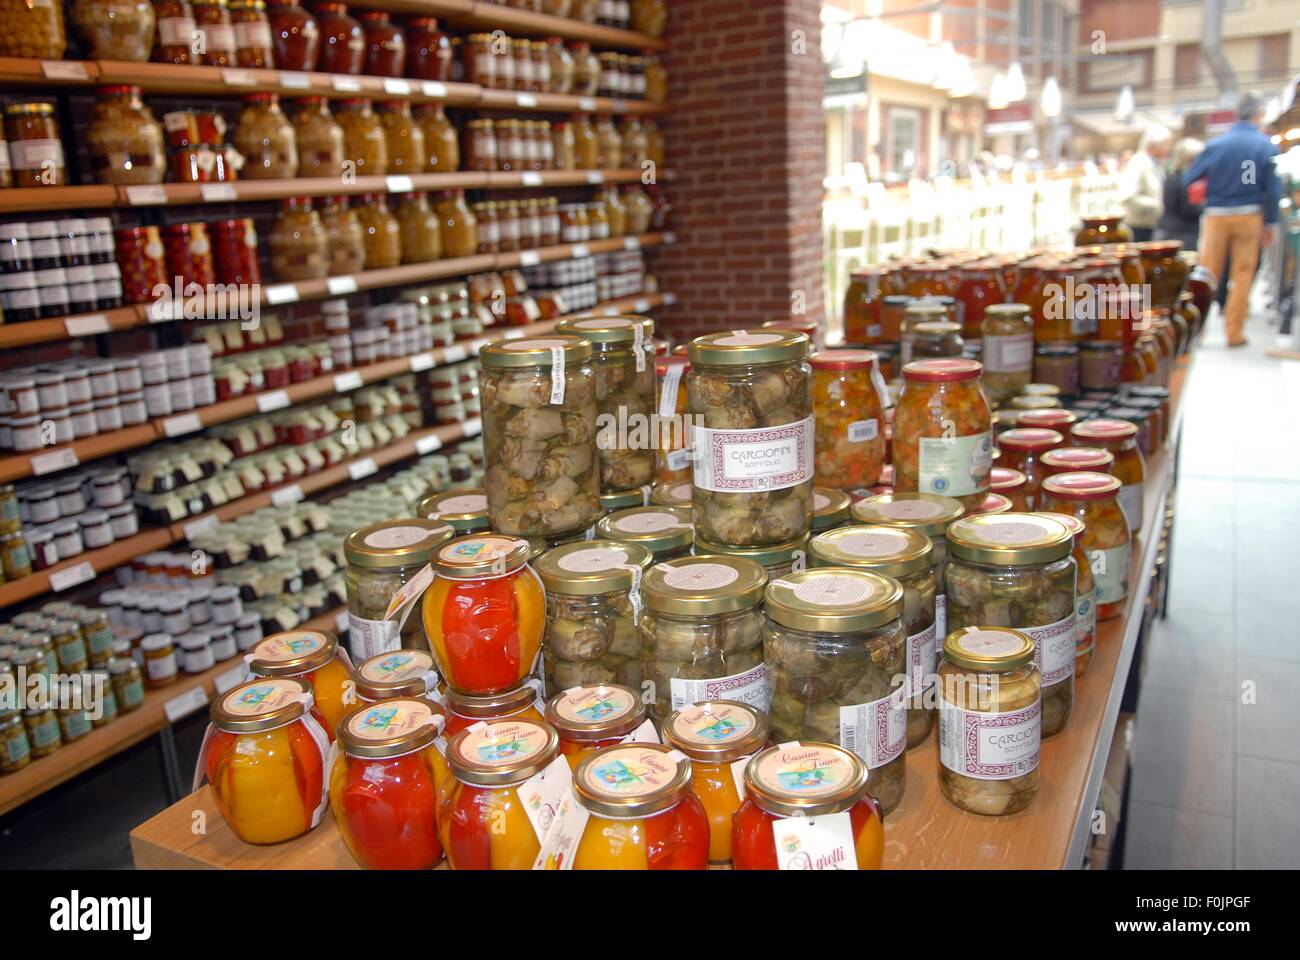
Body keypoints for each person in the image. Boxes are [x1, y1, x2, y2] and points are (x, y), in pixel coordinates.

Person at [1183, 92, 1282, 347]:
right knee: (1243, 273)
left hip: (1216, 215)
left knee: (1207, 274)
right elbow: (1273, 190)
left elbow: (1189, 178)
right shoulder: (1264, 145)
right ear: (1259, 115)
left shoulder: (1216, 145)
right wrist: (1270, 222)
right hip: (1249, 215)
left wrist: (1214, 188)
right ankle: (1234, 332)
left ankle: (1197, 332)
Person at [1120, 125, 1172, 241]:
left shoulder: (1153, 163)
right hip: (1140, 227)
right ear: (1155, 145)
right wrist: (1159, 206)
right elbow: (1127, 196)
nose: (1168, 149)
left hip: (1151, 224)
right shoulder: (1139, 163)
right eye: (1166, 145)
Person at [1157, 137, 1205, 250]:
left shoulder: (1171, 177)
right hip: (1184, 235)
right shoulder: (1187, 180)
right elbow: (1189, 209)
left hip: (1167, 231)